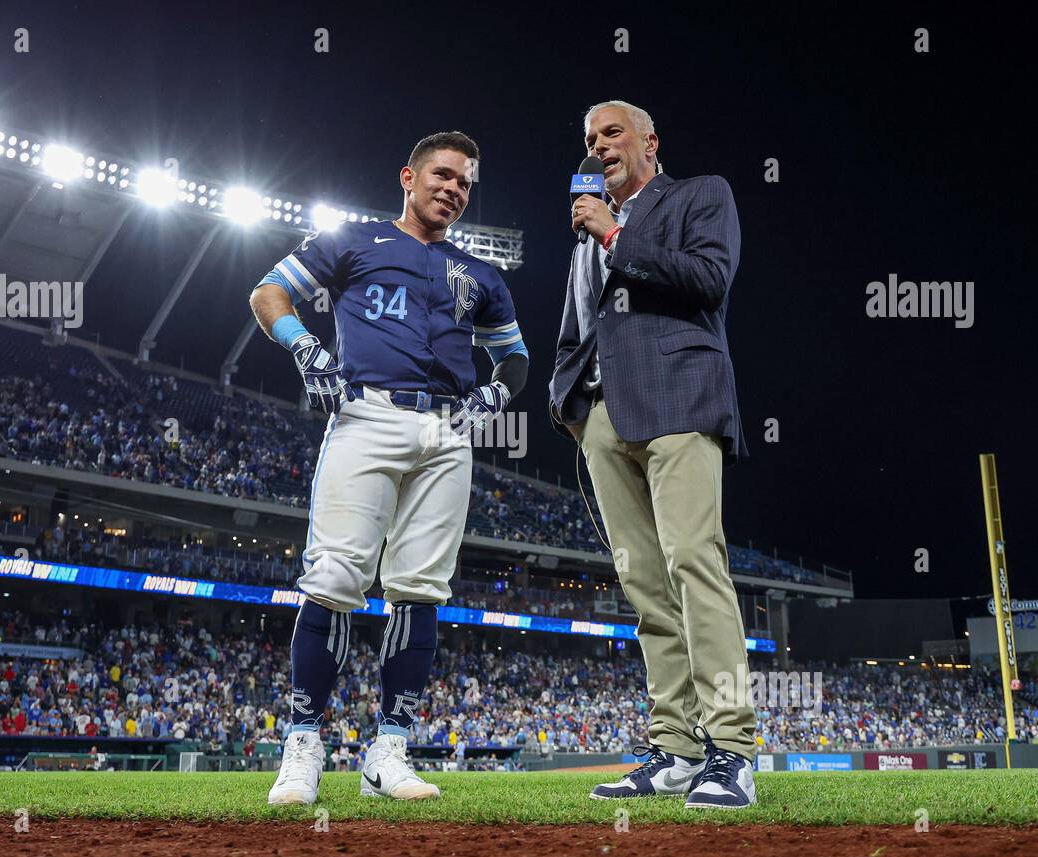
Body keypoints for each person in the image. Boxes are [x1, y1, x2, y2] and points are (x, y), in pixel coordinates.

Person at [250, 131, 529, 805]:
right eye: (442, 174)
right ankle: (304, 743)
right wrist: (304, 348)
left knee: (421, 588)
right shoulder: (352, 240)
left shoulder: (481, 274)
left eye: (464, 181)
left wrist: (497, 391)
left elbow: (514, 359)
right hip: (366, 415)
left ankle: (389, 750)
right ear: (408, 176)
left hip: (450, 430)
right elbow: (269, 293)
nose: (453, 188)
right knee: (336, 575)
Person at [549, 100, 756, 808]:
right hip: (604, 419)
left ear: (649, 142)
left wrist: (614, 234)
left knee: (695, 564)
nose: (598, 145)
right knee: (642, 585)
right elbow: (578, 325)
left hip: (677, 401)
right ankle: (673, 747)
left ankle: (731, 750)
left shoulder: (700, 194)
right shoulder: (587, 233)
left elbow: (709, 281)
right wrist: (569, 407)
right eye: (589, 138)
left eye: (612, 133)